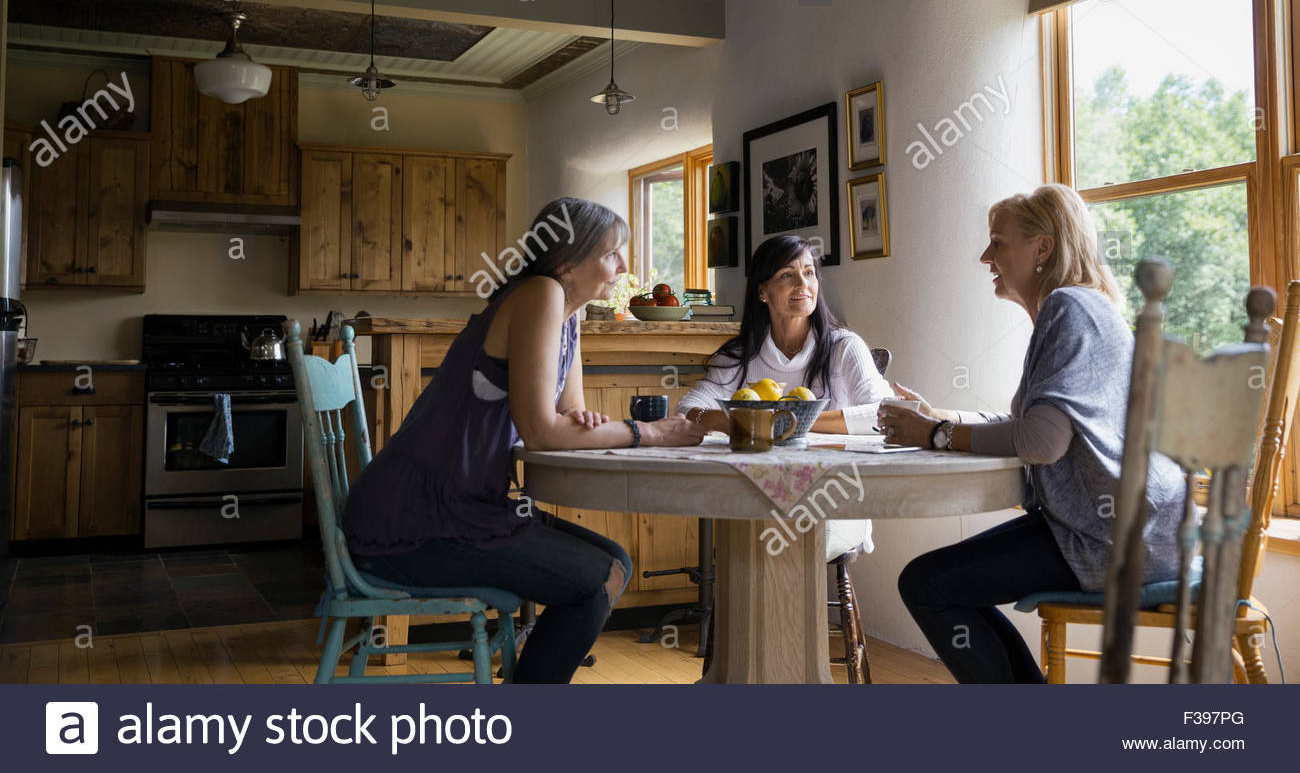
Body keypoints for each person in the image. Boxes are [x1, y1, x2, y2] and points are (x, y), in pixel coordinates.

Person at [344, 197, 706, 683]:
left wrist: (585, 423)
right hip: (413, 522)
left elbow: (566, 418)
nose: (623, 266)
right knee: (597, 580)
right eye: (611, 253)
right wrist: (651, 432)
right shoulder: (540, 292)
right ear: (567, 261)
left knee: (616, 562)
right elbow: (541, 430)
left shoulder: (568, 313)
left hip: (460, 506)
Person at [885, 184, 1185, 683]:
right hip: (1132, 526)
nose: (986, 256)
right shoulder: (1084, 308)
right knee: (937, 584)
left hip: (1115, 538)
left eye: (998, 243)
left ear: (1042, 249)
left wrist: (936, 434)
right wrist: (942, 419)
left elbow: (1043, 443)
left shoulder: (1068, 308)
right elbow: (1037, 428)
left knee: (926, 584)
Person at [678, 234, 894, 558]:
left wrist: (794, 424)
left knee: (775, 543)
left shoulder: (843, 347)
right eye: (787, 275)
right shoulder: (741, 355)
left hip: (834, 499)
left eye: (809, 273)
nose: (802, 284)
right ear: (762, 291)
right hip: (757, 498)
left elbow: (887, 413)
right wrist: (735, 422)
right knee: (747, 538)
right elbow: (687, 409)